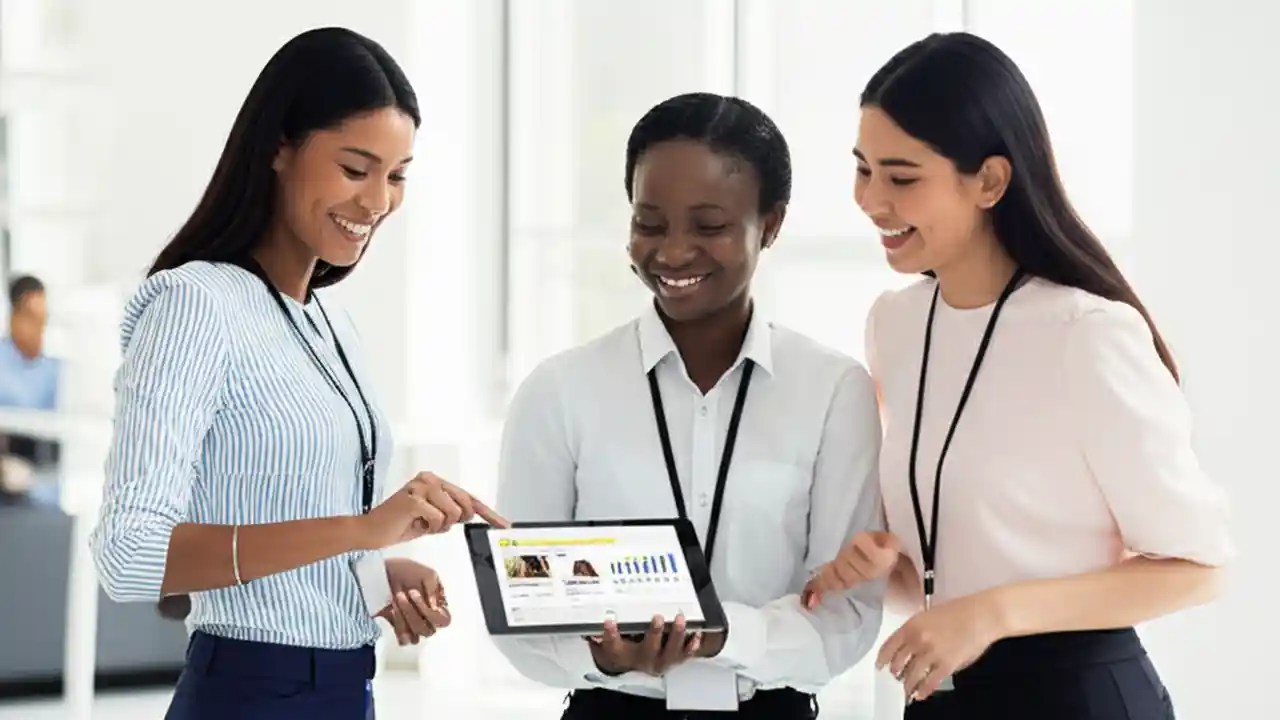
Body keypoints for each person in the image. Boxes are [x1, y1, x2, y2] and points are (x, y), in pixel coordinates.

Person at [802, 32, 1233, 719]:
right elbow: (965, 556)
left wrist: (990, 614)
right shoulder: (897, 326)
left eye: (902, 177)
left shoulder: (1085, 334)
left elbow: (1199, 567)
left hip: (1078, 696)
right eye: (862, 169)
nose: (872, 200)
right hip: (945, 695)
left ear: (992, 181)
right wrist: (895, 567)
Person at [89, 27, 506, 720]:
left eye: (397, 176)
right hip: (247, 693)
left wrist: (372, 579)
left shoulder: (333, 325)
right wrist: (362, 531)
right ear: (278, 147)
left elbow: (293, 519)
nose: (377, 202)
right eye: (355, 168)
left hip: (347, 688)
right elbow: (130, 557)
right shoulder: (195, 303)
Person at [495, 92, 884, 720]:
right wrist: (606, 656)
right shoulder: (560, 390)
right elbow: (522, 612)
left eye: (709, 227)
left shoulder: (833, 390)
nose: (673, 253)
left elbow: (847, 617)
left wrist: (729, 636)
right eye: (649, 224)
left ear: (772, 223)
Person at [0, 275, 62, 493]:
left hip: (41, 489)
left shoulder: (52, 371)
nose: (38, 331)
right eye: (31, 319)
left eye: (42, 321)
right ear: (13, 317)